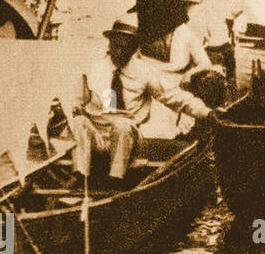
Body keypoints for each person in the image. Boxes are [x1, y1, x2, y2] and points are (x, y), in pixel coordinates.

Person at [71, 16, 212, 181]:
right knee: (79, 122)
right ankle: (80, 178)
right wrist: (74, 111)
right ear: (109, 45)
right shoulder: (95, 68)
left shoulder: (144, 72)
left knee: (121, 125)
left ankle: (115, 180)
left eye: (125, 48)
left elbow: (174, 97)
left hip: (127, 136)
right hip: (97, 133)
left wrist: (207, 113)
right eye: (116, 46)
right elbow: (77, 101)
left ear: (134, 49)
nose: (119, 52)